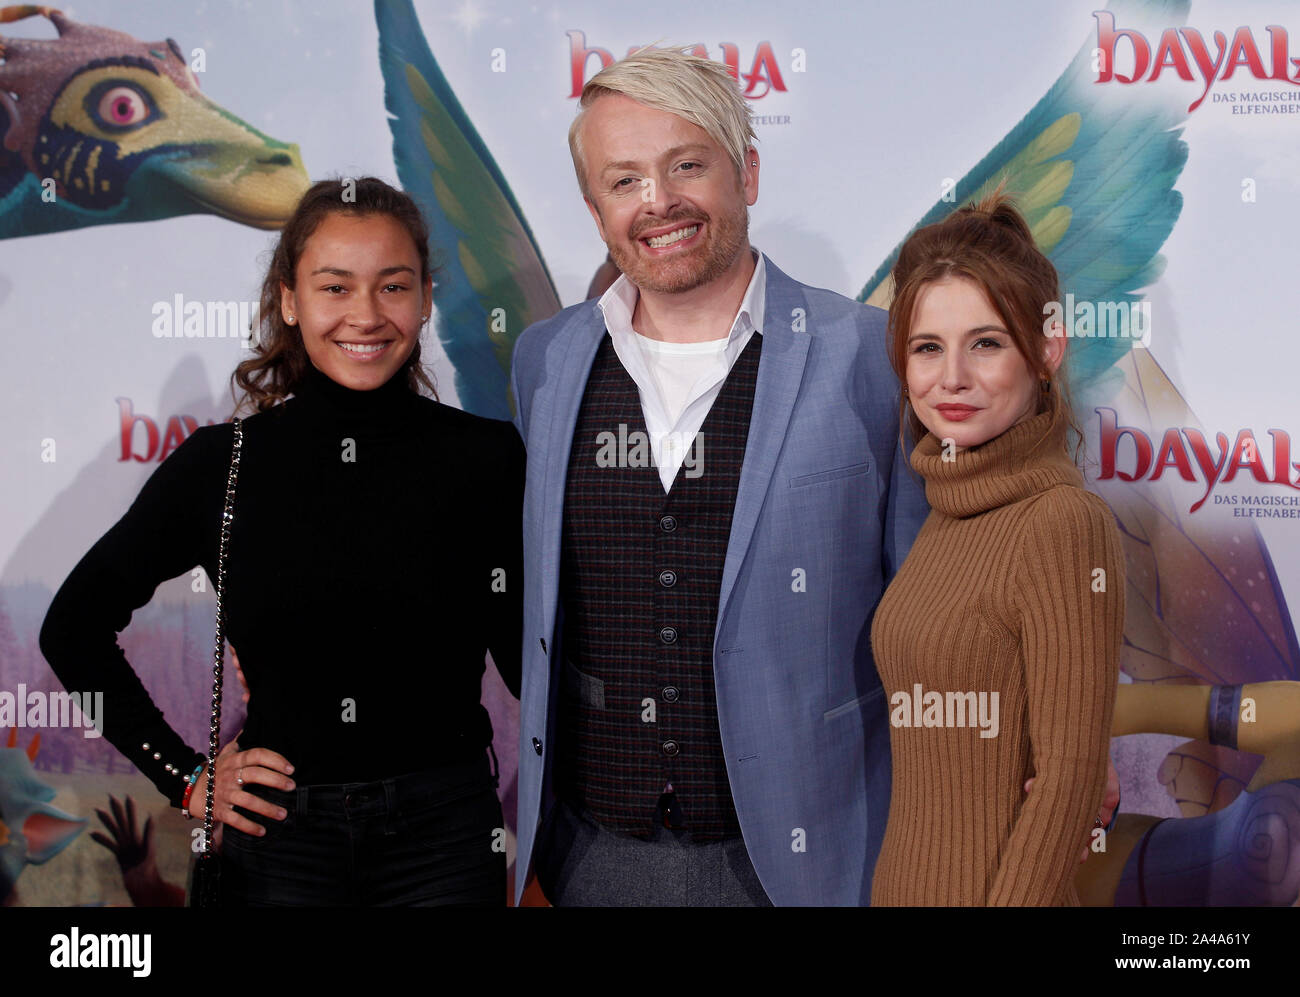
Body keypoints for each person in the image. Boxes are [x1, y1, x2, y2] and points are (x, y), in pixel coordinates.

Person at [509, 47, 1116, 907]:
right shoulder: (546, 361)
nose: (659, 203)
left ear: (746, 170)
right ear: (594, 206)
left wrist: (1039, 754)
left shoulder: (869, 354)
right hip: (593, 852)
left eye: (687, 166)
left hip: (815, 852)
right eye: (624, 180)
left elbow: (941, 590)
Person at [39, 177, 524, 906]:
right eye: (335, 286)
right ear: (290, 299)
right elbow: (71, 627)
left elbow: (532, 664)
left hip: (447, 839)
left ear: (425, 297)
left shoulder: (489, 458)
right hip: (281, 843)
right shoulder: (220, 465)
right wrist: (183, 777)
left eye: (392, 286)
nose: (365, 314)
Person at [869, 192, 1123, 905]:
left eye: (986, 342)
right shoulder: (947, 507)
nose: (951, 377)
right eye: (927, 347)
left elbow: (1069, 782)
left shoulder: (1062, 522)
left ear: (1046, 350)